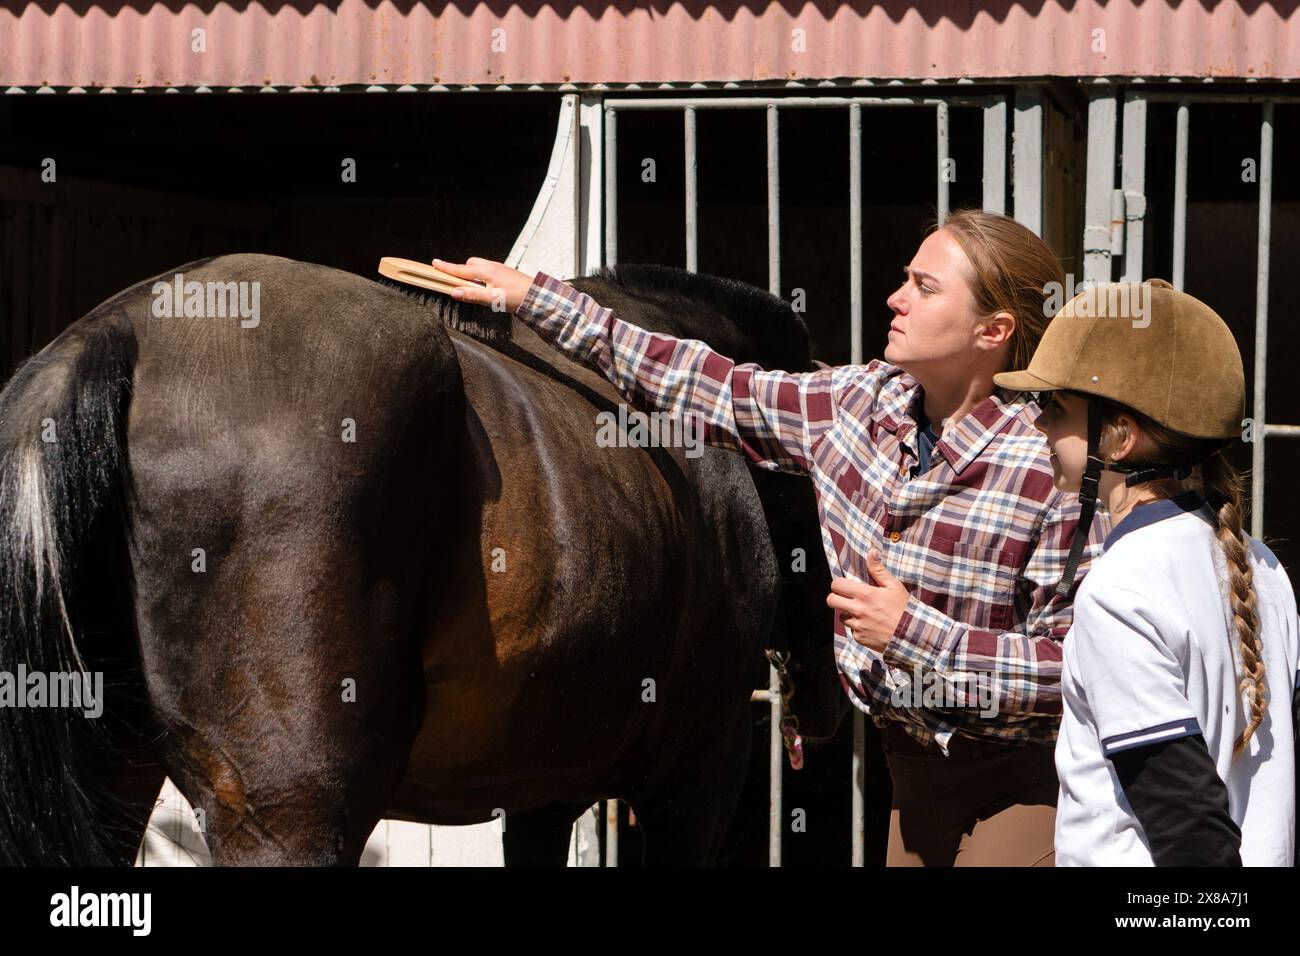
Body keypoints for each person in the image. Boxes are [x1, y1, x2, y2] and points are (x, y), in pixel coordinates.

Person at [433, 207, 1109, 866]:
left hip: (1026, 779)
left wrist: (913, 634)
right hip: (910, 775)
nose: (895, 298)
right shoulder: (855, 406)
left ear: (992, 330)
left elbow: (1078, 667)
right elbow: (705, 382)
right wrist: (537, 298)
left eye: (924, 288)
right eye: (906, 278)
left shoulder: (1048, 466)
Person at [994, 278, 1299, 866]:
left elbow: (1188, 829)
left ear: (1120, 438)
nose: (1039, 428)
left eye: (1056, 410)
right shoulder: (1264, 565)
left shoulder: (1120, 588)